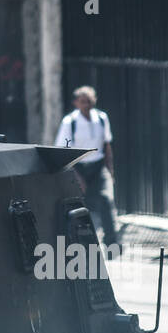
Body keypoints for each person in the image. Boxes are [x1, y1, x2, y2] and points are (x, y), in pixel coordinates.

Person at [54, 86, 118, 246]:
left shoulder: (102, 118)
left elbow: (107, 145)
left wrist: (110, 170)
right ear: (76, 103)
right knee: (81, 205)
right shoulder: (70, 122)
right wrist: (77, 176)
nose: (87, 105)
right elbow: (64, 151)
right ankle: (83, 243)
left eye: (89, 101)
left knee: (105, 199)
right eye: (83, 102)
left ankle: (111, 243)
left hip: (98, 165)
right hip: (78, 167)